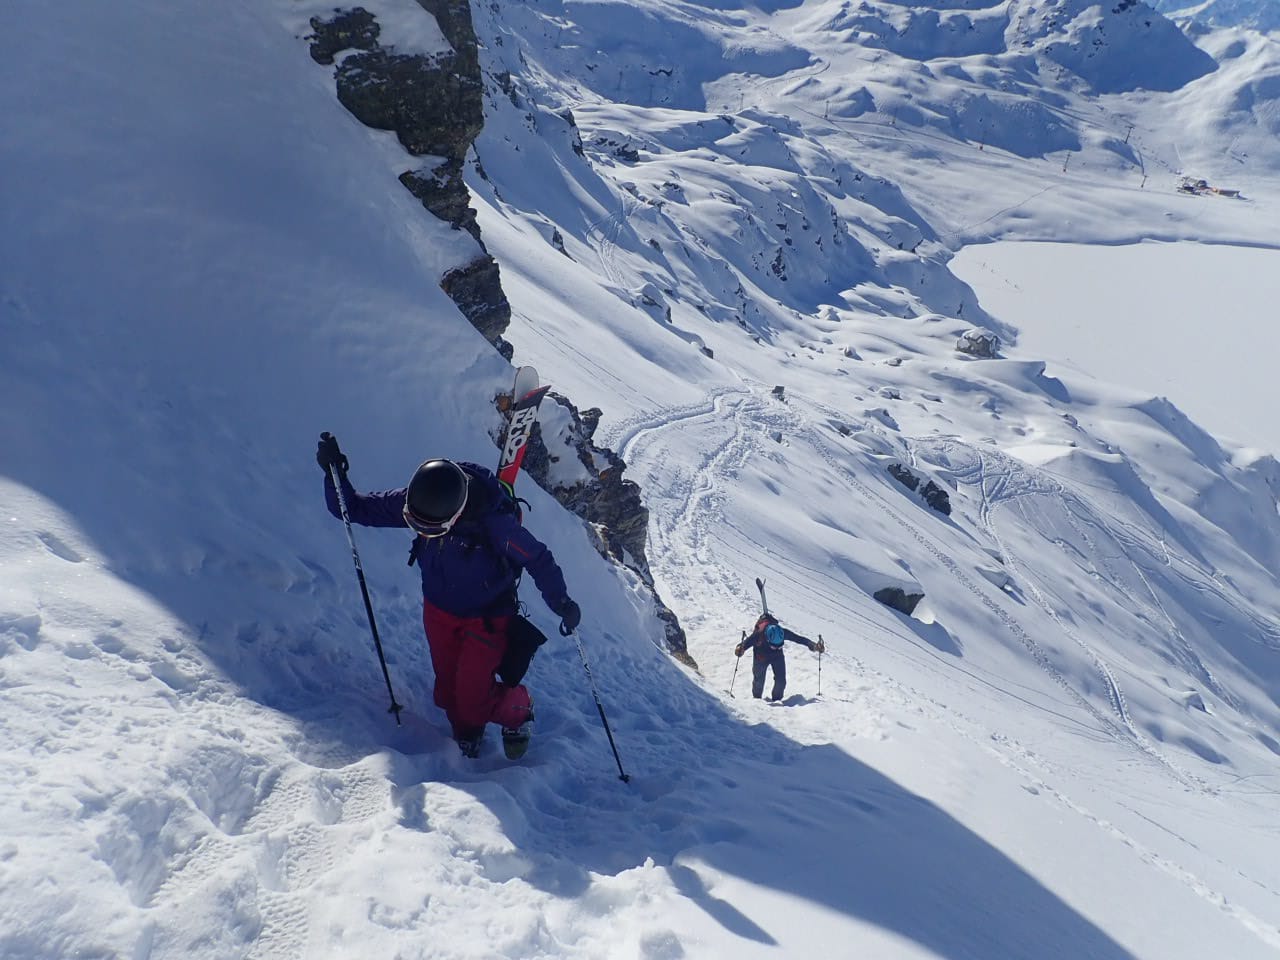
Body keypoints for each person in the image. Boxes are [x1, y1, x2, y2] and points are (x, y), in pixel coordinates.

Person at [317, 433, 580, 759]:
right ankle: (468, 730)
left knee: (470, 695)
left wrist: (562, 603)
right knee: (446, 693)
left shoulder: (494, 524)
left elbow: (537, 558)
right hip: (439, 610)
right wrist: (334, 475)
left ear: (455, 515)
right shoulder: (423, 499)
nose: (423, 532)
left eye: (431, 530)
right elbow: (353, 508)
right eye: (418, 527)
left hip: (487, 617)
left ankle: (518, 708)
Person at [734, 613, 823, 702]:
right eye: (774, 646)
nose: (776, 648)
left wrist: (814, 646)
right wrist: (740, 649)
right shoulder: (758, 635)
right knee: (759, 681)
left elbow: (798, 639)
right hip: (760, 656)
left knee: (781, 681)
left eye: (780, 646)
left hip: (777, 656)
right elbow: (744, 644)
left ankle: (777, 701)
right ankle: (757, 702)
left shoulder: (782, 632)